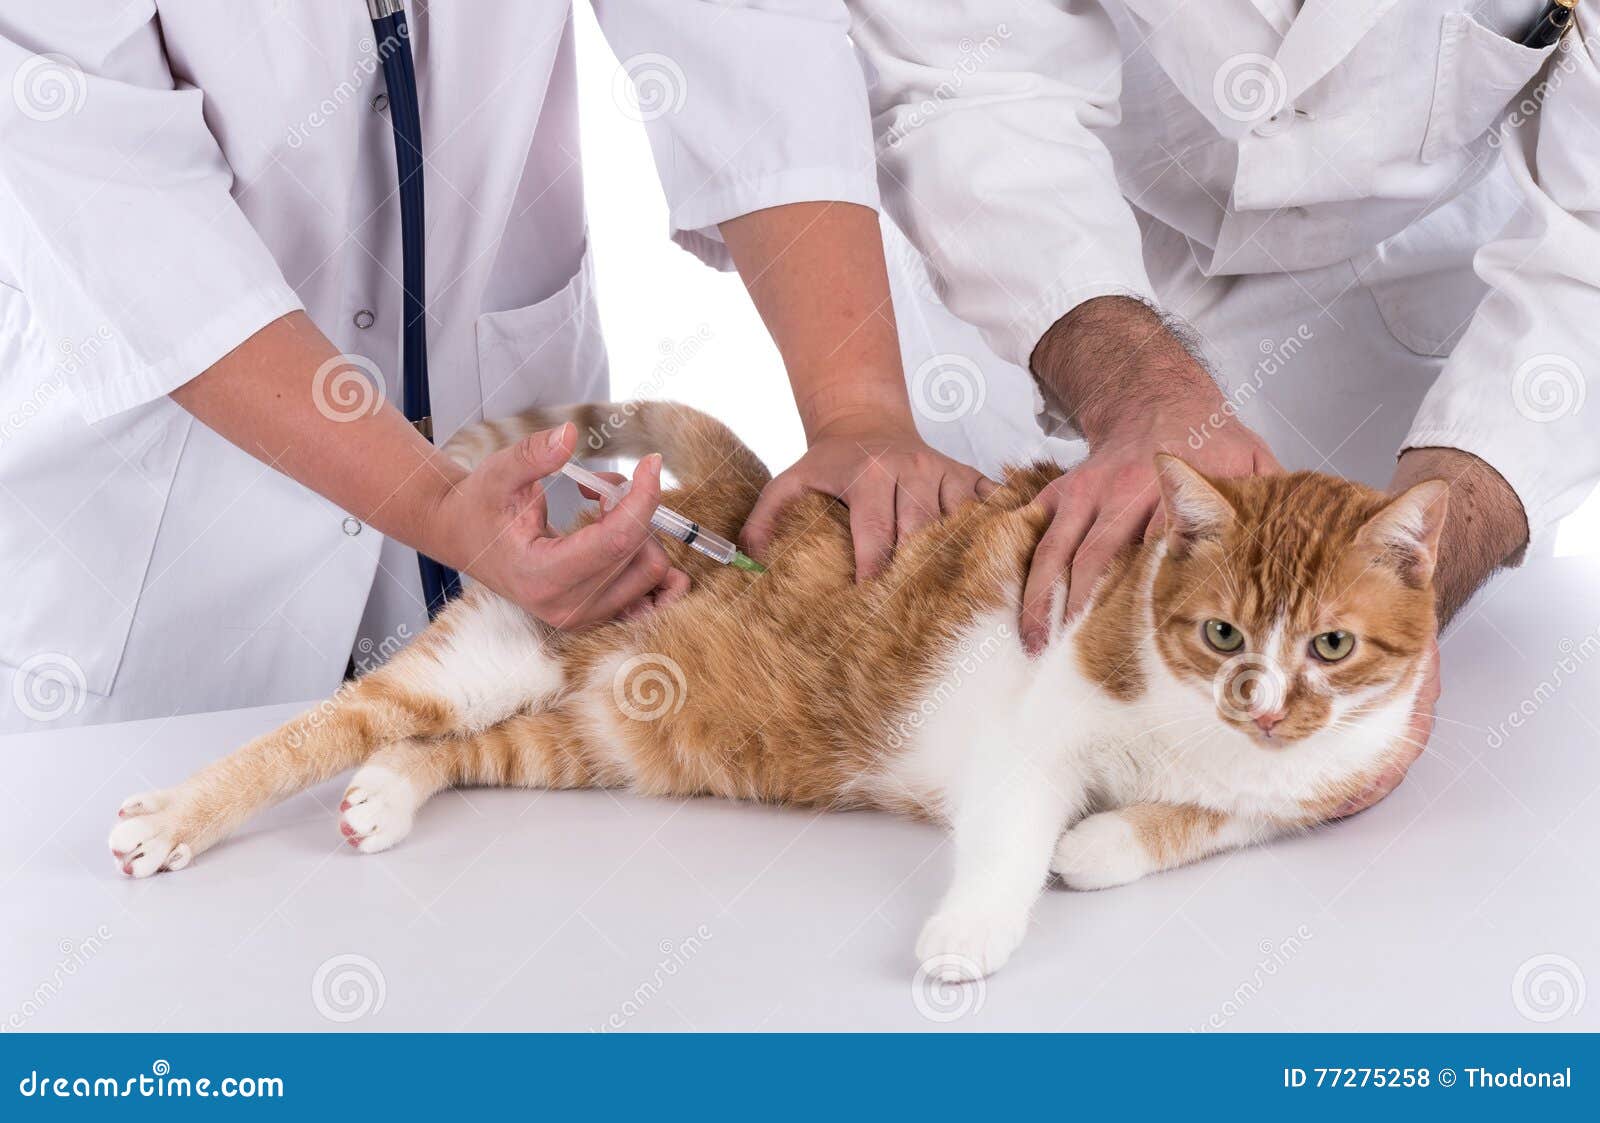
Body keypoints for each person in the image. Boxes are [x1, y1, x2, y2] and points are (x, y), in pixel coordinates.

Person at [0, 2, 987, 732]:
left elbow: (746, 46)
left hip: (509, 531)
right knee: (164, 958)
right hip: (161, 554)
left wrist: (858, 411)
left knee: (498, 941)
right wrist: (432, 508)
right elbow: (138, 231)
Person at [852, 0, 1600, 808]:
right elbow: (967, 77)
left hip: (1418, 327)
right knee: (965, 746)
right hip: (1047, 274)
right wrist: (1131, 387)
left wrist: (1412, 579)